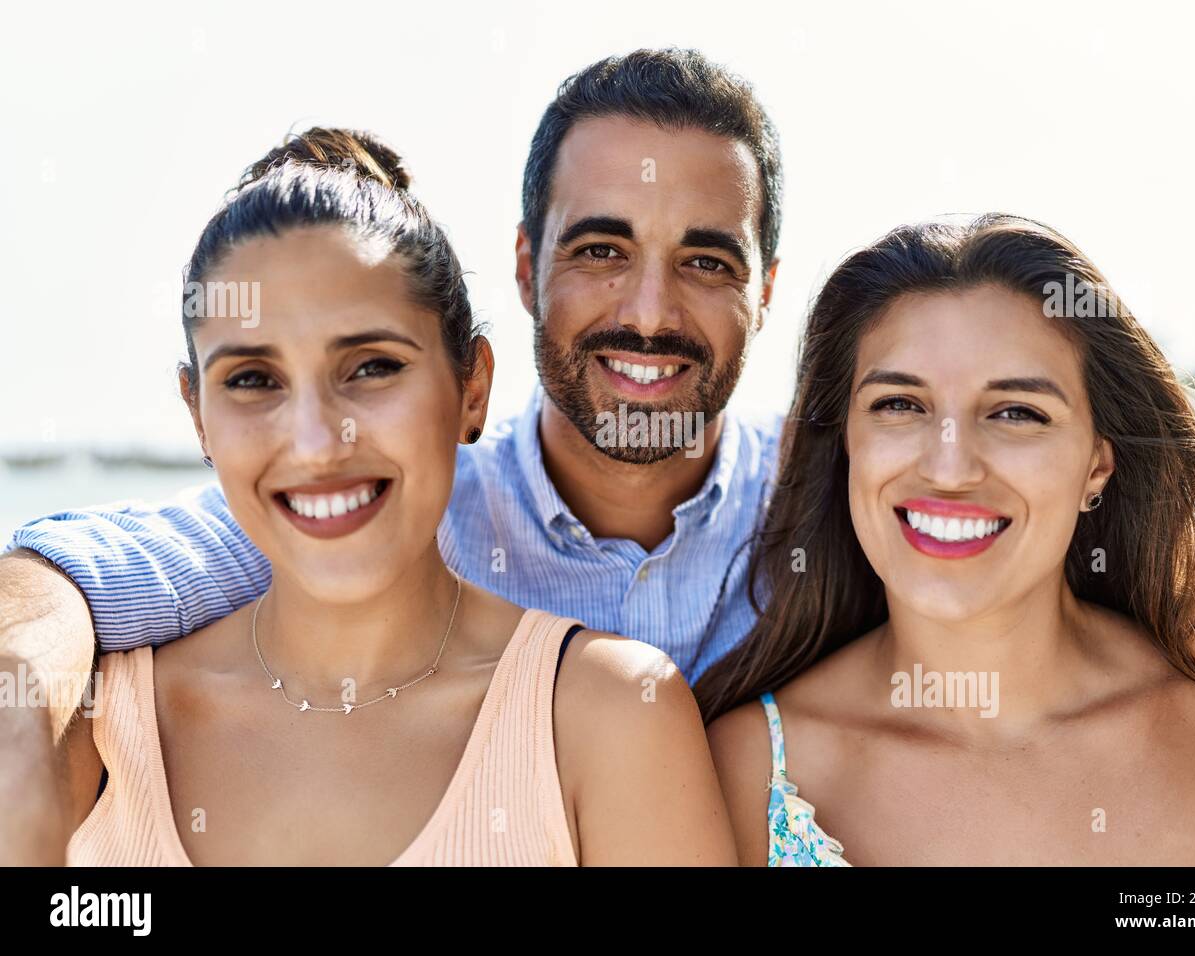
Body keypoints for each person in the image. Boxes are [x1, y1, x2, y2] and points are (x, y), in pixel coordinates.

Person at [1, 50, 1195, 865]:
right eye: (601, 247)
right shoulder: (382, 509)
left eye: (708, 262)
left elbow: (1164, 552)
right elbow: (93, 563)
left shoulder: (855, 505)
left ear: (769, 289)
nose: (650, 311)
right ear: (524, 271)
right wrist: (21, 697)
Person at [54, 127, 734, 866]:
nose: (316, 442)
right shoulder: (83, 723)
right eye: (252, 380)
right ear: (198, 416)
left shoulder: (608, 719)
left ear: (472, 386)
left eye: (372, 366)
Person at [703, 215, 1195, 865]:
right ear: (846, 444)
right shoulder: (747, 771)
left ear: (1097, 465)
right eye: (900, 405)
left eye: (1016, 413)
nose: (950, 467)